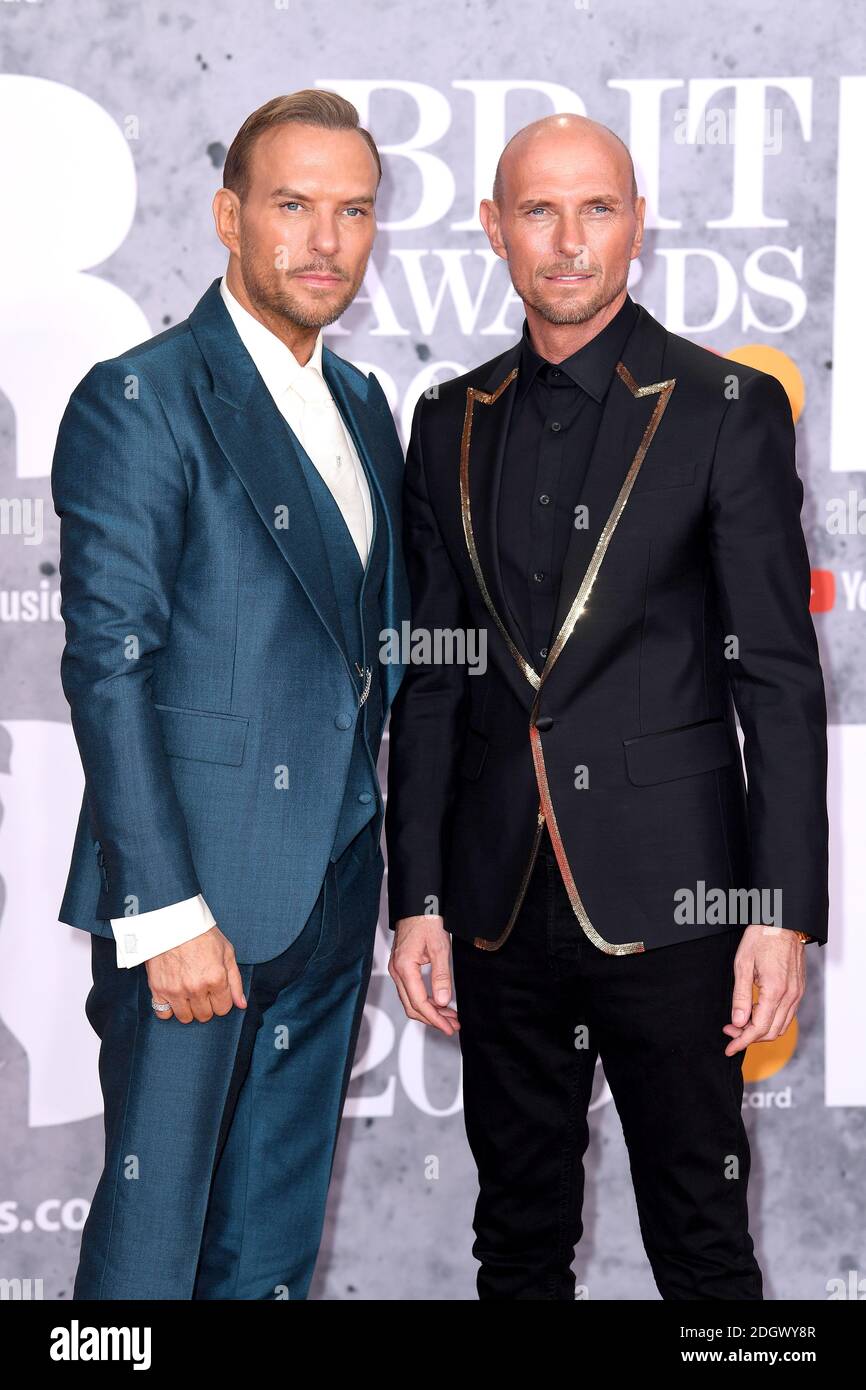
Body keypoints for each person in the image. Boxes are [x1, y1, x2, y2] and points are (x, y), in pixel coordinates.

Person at [385, 113, 828, 1300]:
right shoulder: (446, 422)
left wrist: (778, 910)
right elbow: (434, 674)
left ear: (636, 224)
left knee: (703, 1242)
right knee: (513, 1243)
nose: (567, 240)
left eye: (595, 209)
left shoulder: (722, 406)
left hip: (677, 905)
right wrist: (416, 895)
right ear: (493, 228)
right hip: (494, 905)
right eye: (538, 210)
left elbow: (776, 675)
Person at [52, 89, 409, 1300]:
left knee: (266, 1256)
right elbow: (108, 663)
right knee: (150, 1266)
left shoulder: (363, 407)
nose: (324, 240)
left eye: (352, 210)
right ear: (226, 215)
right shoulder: (140, 396)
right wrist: (161, 912)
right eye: (293, 205)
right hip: (189, 911)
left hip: (324, 893)